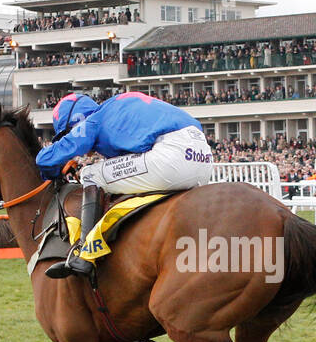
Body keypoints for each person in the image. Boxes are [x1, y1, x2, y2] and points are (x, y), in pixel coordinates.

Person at [37, 92, 214, 280]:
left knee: (90, 174)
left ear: (75, 123)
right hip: (203, 158)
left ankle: (85, 254)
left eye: (67, 134)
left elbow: (44, 160)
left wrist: (54, 172)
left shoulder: (93, 121)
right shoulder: (116, 109)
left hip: (172, 156)